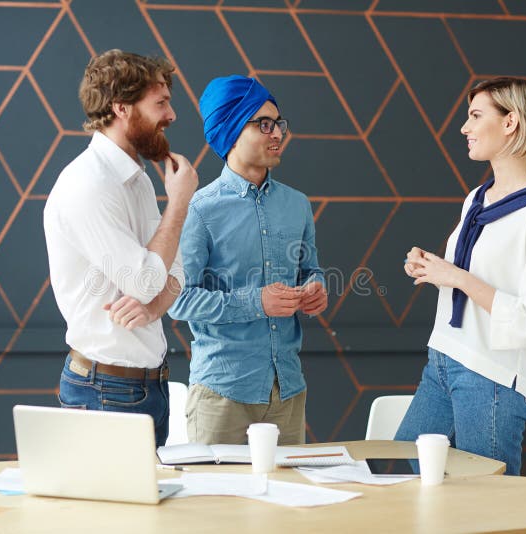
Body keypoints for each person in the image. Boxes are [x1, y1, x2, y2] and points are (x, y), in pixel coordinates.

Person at [394, 77, 526, 475]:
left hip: (491, 374)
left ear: (510, 123)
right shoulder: (476, 199)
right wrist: (433, 268)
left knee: (488, 497)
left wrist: (455, 276)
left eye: (476, 116)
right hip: (445, 356)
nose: (464, 128)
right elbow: (474, 273)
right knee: (411, 459)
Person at [43, 49, 198, 446]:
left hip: (150, 388)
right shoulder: (88, 185)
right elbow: (148, 277)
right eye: (161, 103)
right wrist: (179, 203)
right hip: (104, 392)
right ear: (122, 108)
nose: (172, 115)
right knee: (110, 510)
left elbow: (175, 271)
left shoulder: (140, 179)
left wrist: (152, 307)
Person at [168, 75, 327, 446]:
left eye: (278, 124)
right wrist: (258, 302)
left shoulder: (297, 204)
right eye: (264, 124)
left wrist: (316, 287)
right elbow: (177, 299)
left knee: (288, 504)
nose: (277, 134)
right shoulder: (199, 210)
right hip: (222, 395)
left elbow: (311, 269)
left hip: (287, 392)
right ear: (232, 132)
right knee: (215, 503)